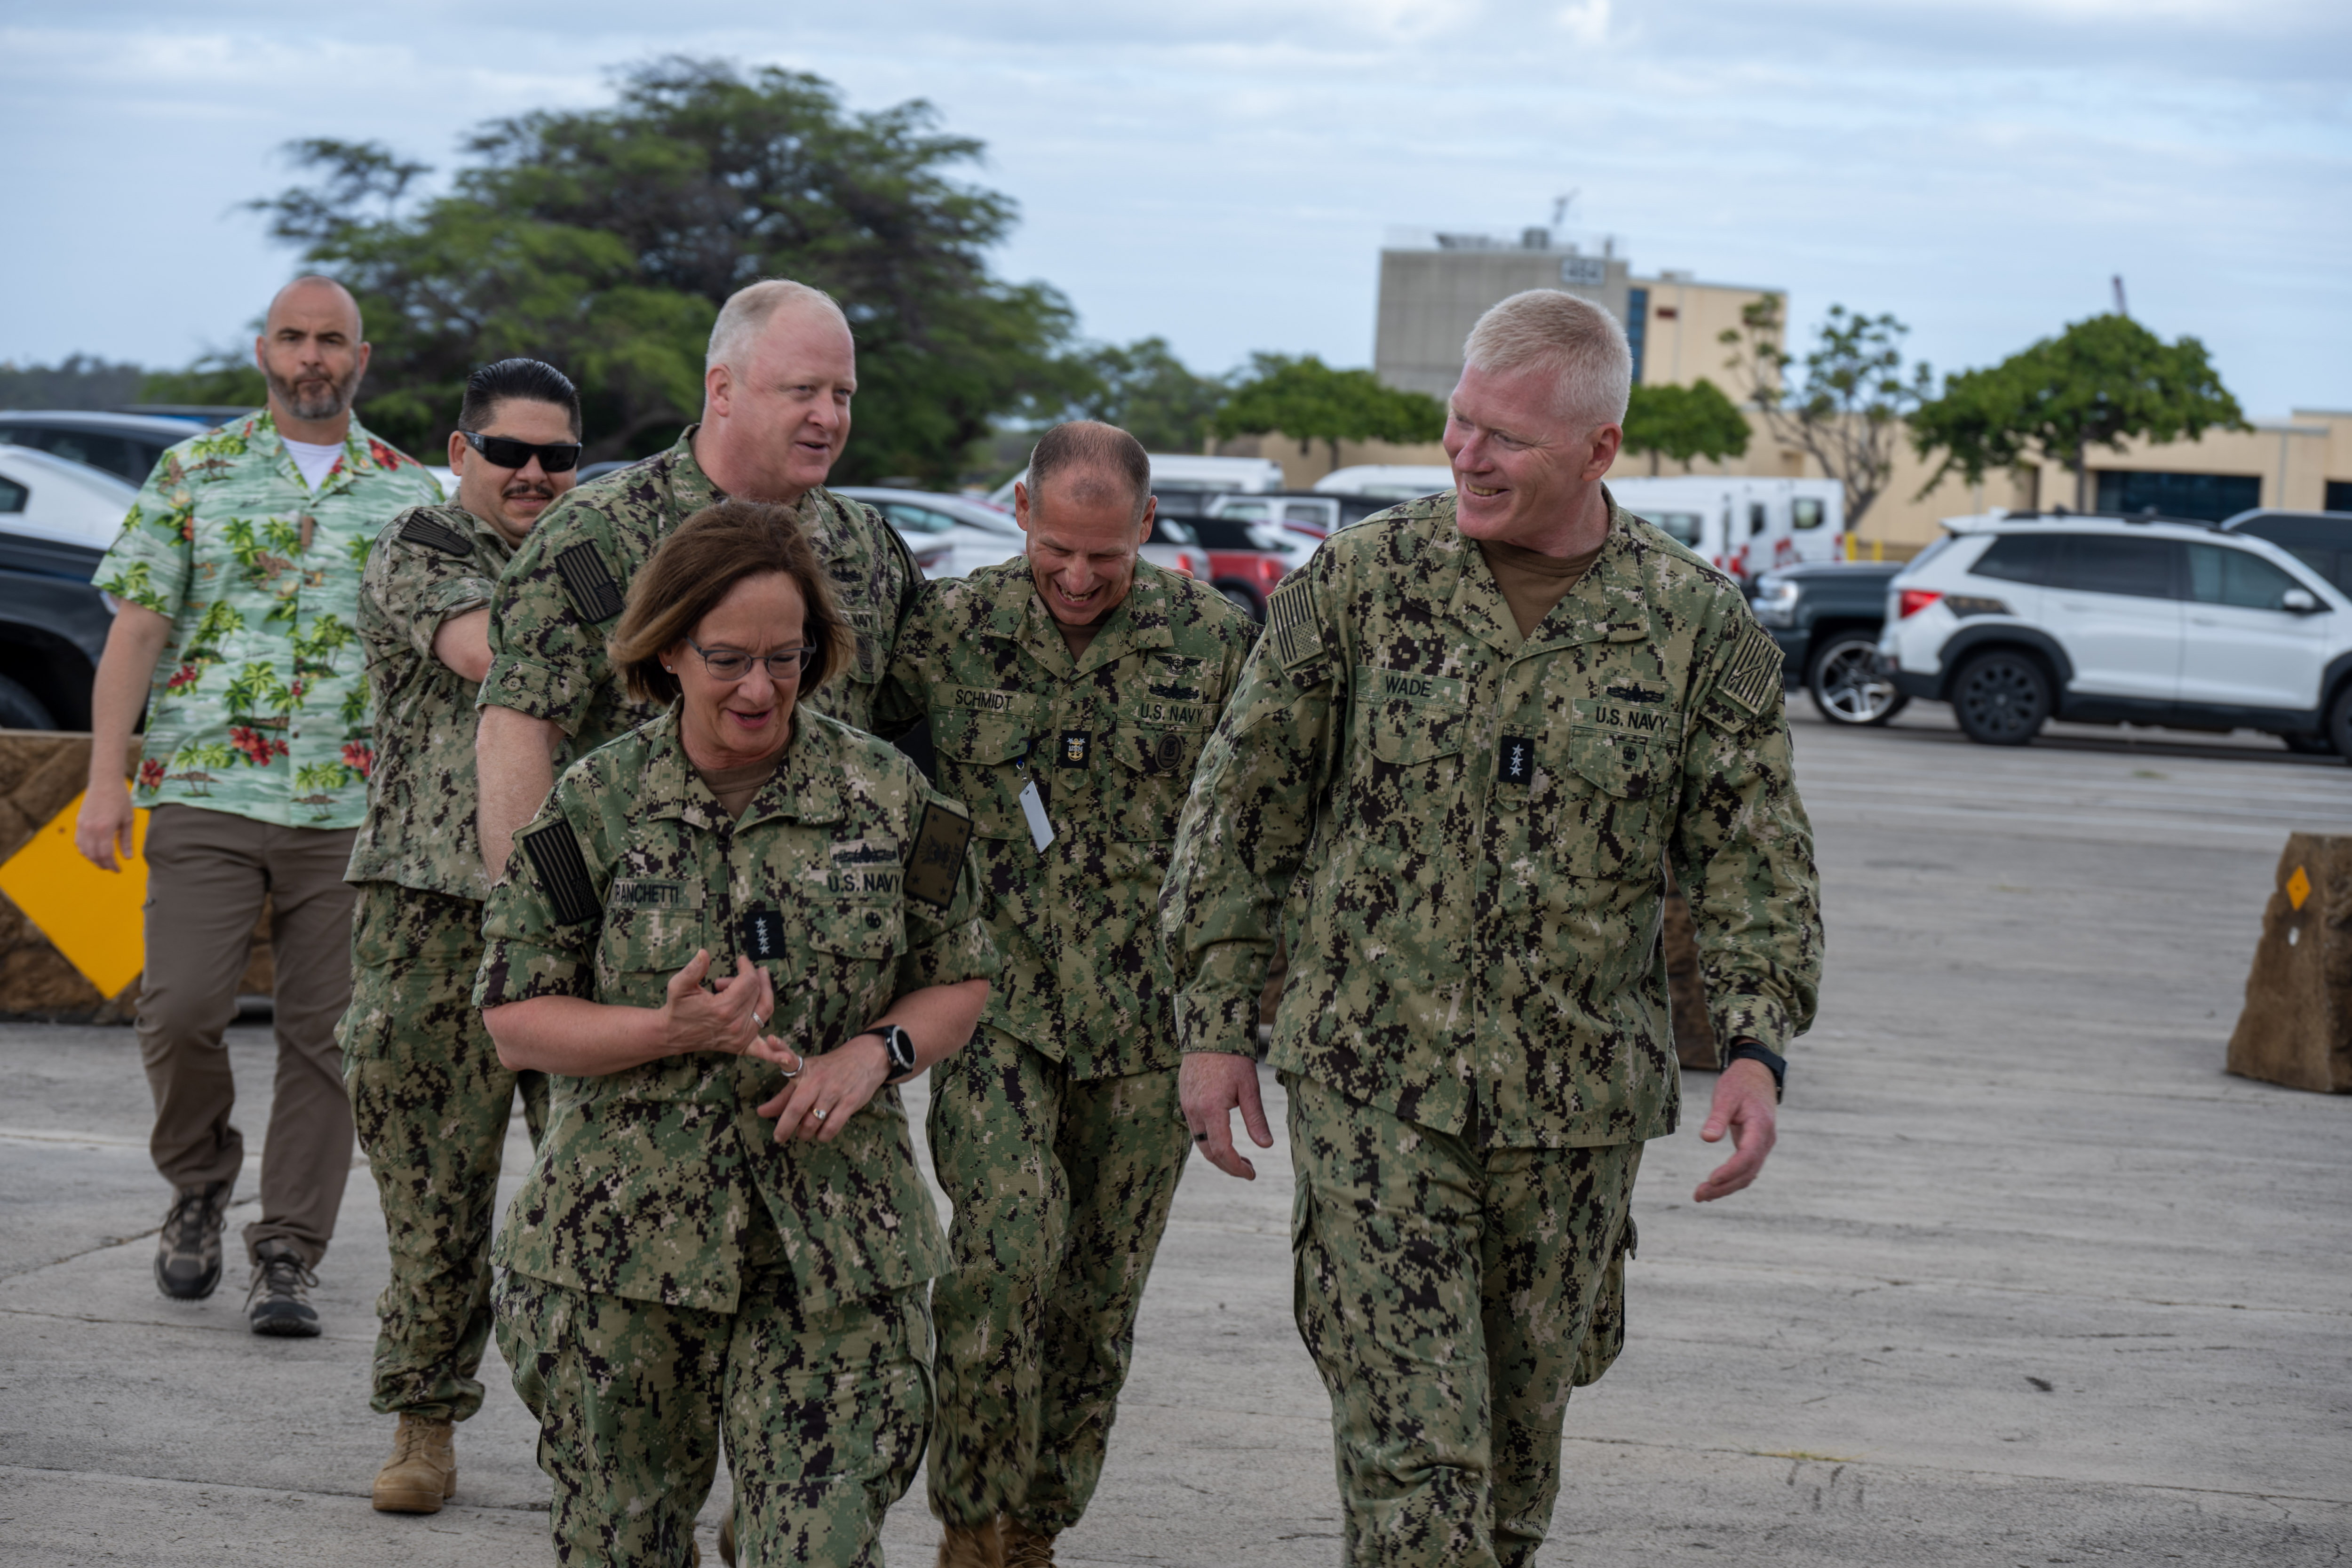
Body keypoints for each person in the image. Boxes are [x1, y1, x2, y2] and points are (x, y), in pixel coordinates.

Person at [1163, 289, 1824, 1567]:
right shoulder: (1359, 581)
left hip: (1573, 1106)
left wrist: (1756, 1043)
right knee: (1419, 1468)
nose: (1467, 454)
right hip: (1374, 1085)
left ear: (1601, 450)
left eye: (1507, 438)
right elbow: (1242, 806)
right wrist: (1213, 1022)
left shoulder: (1695, 625)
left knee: (1512, 1475)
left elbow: (1749, 847)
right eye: (1460, 421)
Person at [477, 500, 1000, 1567]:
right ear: (666, 648)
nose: (760, 688)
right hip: (621, 1254)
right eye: (727, 658)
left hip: (837, 1247)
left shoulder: (889, 796)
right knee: (621, 1542)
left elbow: (962, 976)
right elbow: (514, 1020)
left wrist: (874, 1053)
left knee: (820, 1547)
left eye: (786, 656)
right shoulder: (593, 805)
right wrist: (662, 1028)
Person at [873, 422, 1257, 1568]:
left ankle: (1038, 1521)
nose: (1079, 579)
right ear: (1021, 514)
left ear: (1146, 527)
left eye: (1106, 556)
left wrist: (1234, 1012)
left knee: (1097, 1291)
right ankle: (970, 1519)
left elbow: (1250, 833)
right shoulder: (946, 631)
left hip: (1149, 1021)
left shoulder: (1214, 641)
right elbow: (895, 804)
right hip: (997, 1007)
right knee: (1000, 1256)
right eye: (1054, 550)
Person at [76, 275, 440, 1336]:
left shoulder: (408, 491)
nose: (312, 357)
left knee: (329, 1039)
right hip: (204, 790)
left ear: (361, 360)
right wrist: (106, 779)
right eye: (294, 338)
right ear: (263, 352)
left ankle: (288, 1248)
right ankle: (196, 1181)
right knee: (180, 1008)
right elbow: (135, 632)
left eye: (332, 340)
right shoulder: (191, 473)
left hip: (353, 809)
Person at [338, 358, 582, 1514]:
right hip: (431, 913)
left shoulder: (606, 558)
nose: (534, 475)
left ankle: (598, 1440)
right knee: (436, 1193)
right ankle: (423, 1418)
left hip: (575, 912)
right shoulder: (420, 549)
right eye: (511, 454)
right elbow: (502, 657)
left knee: (590, 1189)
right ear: (459, 450)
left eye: (558, 458)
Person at [476, 278, 922, 884]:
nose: (828, 416)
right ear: (723, 390)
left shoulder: (865, 544)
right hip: (650, 937)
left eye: (842, 394)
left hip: (832, 936)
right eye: (803, 390)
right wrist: (548, 923)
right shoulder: (598, 534)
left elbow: (910, 730)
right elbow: (517, 738)